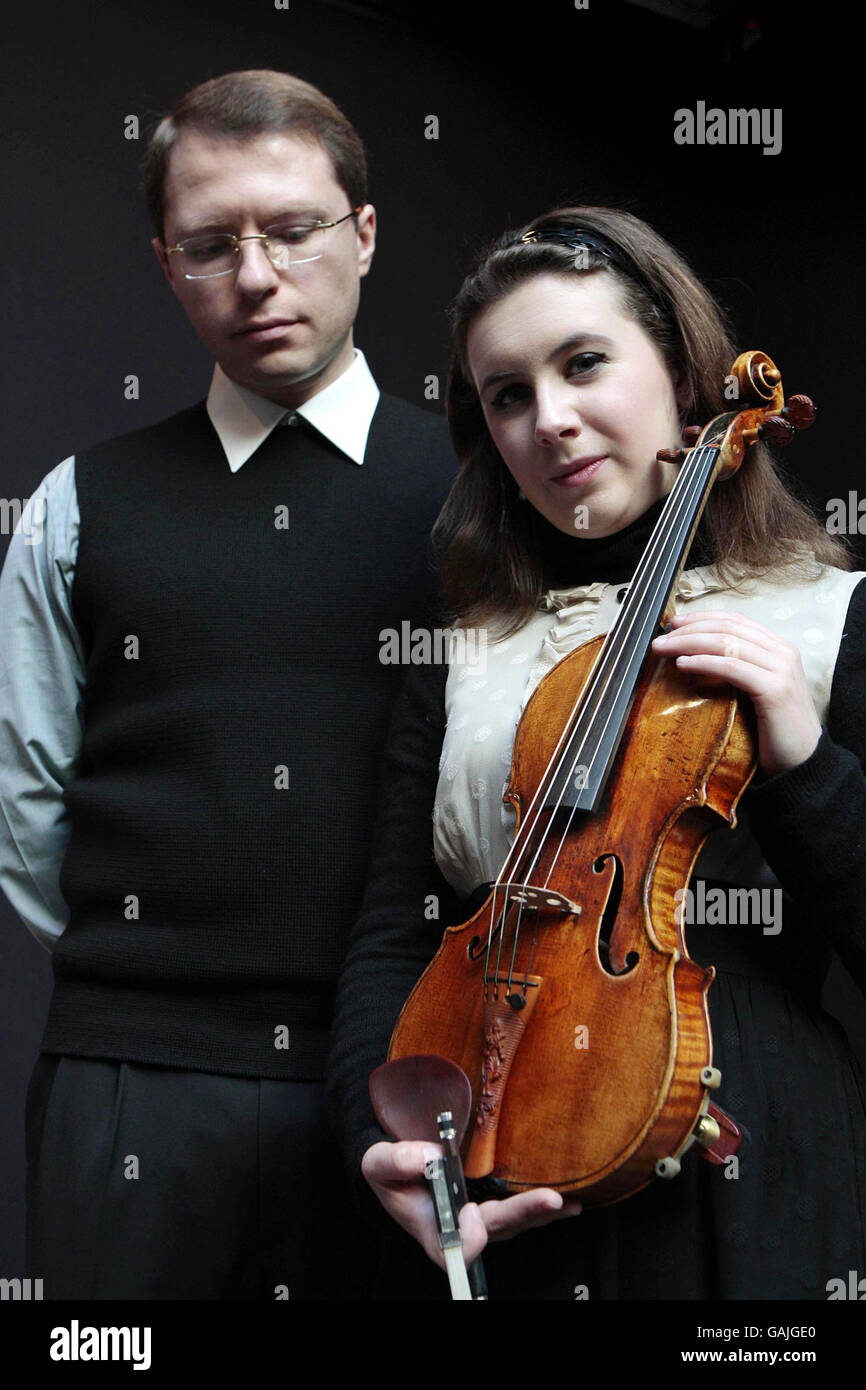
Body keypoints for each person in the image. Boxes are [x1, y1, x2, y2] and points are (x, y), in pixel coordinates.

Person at [328, 205, 866, 1300]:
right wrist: (372, 1131)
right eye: (507, 395)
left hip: (755, 1153)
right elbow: (394, 931)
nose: (551, 421)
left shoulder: (826, 615)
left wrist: (803, 758)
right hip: (510, 1138)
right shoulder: (465, 655)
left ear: (676, 371)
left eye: (584, 364)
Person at [0, 69, 456, 1299]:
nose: (254, 276)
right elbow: (29, 804)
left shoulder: (488, 494)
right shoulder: (74, 503)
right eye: (211, 245)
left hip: (423, 1078)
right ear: (168, 265)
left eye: (292, 231)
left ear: (361, 235)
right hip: (132, 1086)